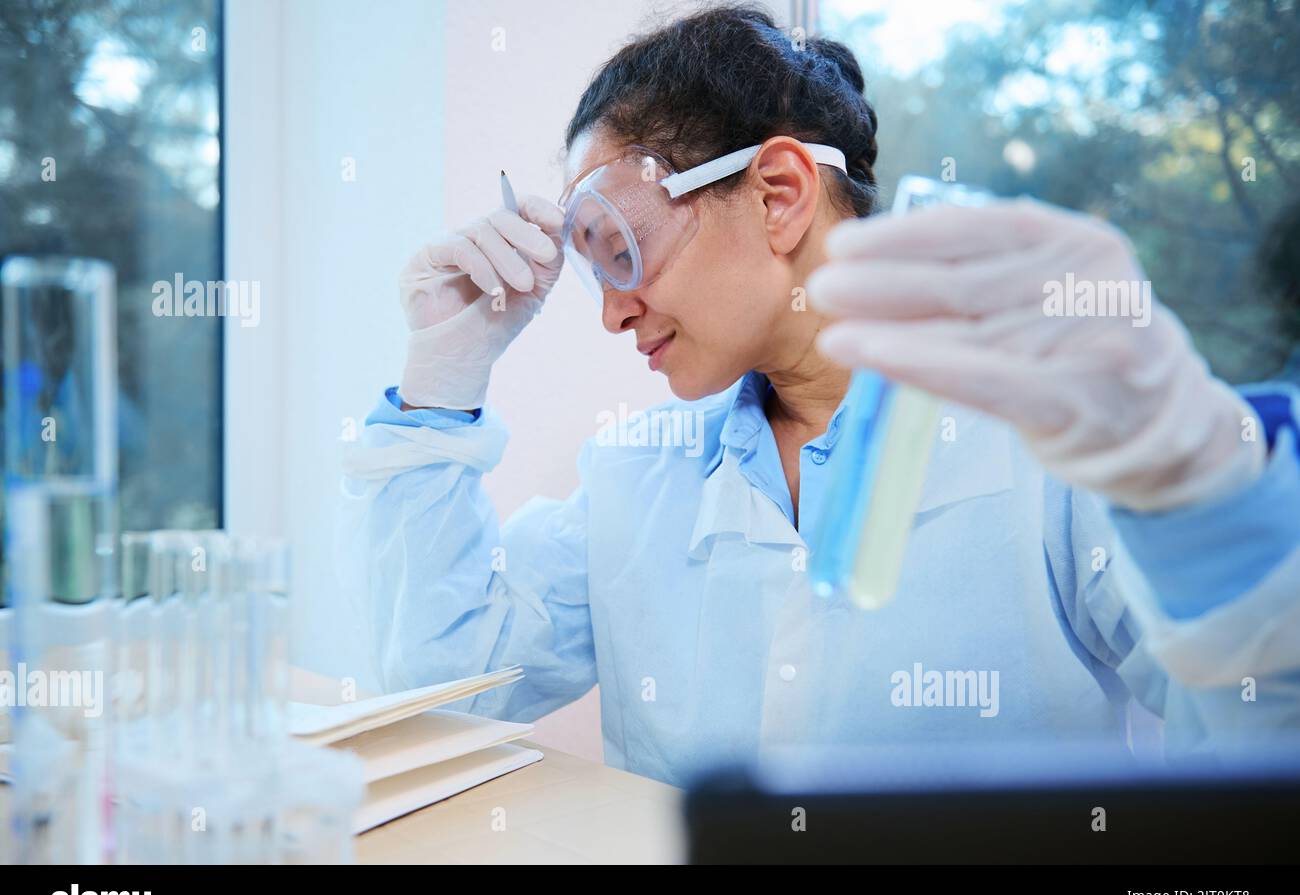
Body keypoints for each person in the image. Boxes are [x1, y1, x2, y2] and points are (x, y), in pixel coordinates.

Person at [339, 5, 1300, 787]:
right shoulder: (636, 471)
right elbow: (442, 693)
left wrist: (1208, 506)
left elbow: (1256, 751)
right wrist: (440, 384)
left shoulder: (1047, 448)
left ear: (778, 193)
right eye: (592, 272)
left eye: (620, 248)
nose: (613, 315)